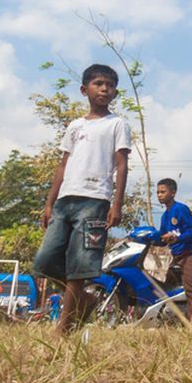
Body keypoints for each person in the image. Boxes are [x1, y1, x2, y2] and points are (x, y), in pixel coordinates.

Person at [33, 63, 130, 334]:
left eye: (110, 85)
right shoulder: (75, 126)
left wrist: (116, 203)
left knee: (79, 264)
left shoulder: (117, 124)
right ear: (84, 89)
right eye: (98, 83)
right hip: (65, 201)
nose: (104, 89)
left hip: (95, 200)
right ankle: (85, 300)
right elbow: (63, 166)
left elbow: (121, 164)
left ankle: (64, 327)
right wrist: (49, 203)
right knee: (45, 261)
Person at [157, 178, 192, 324]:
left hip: (189, 253)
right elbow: (161, 237)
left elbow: (191, 232)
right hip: (174, 256)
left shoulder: (180, 209)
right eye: (157, 192)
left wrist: (176, 238)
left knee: (190, 286)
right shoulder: (165, 216)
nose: (159, 195)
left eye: (163, 192)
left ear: (173, 192)